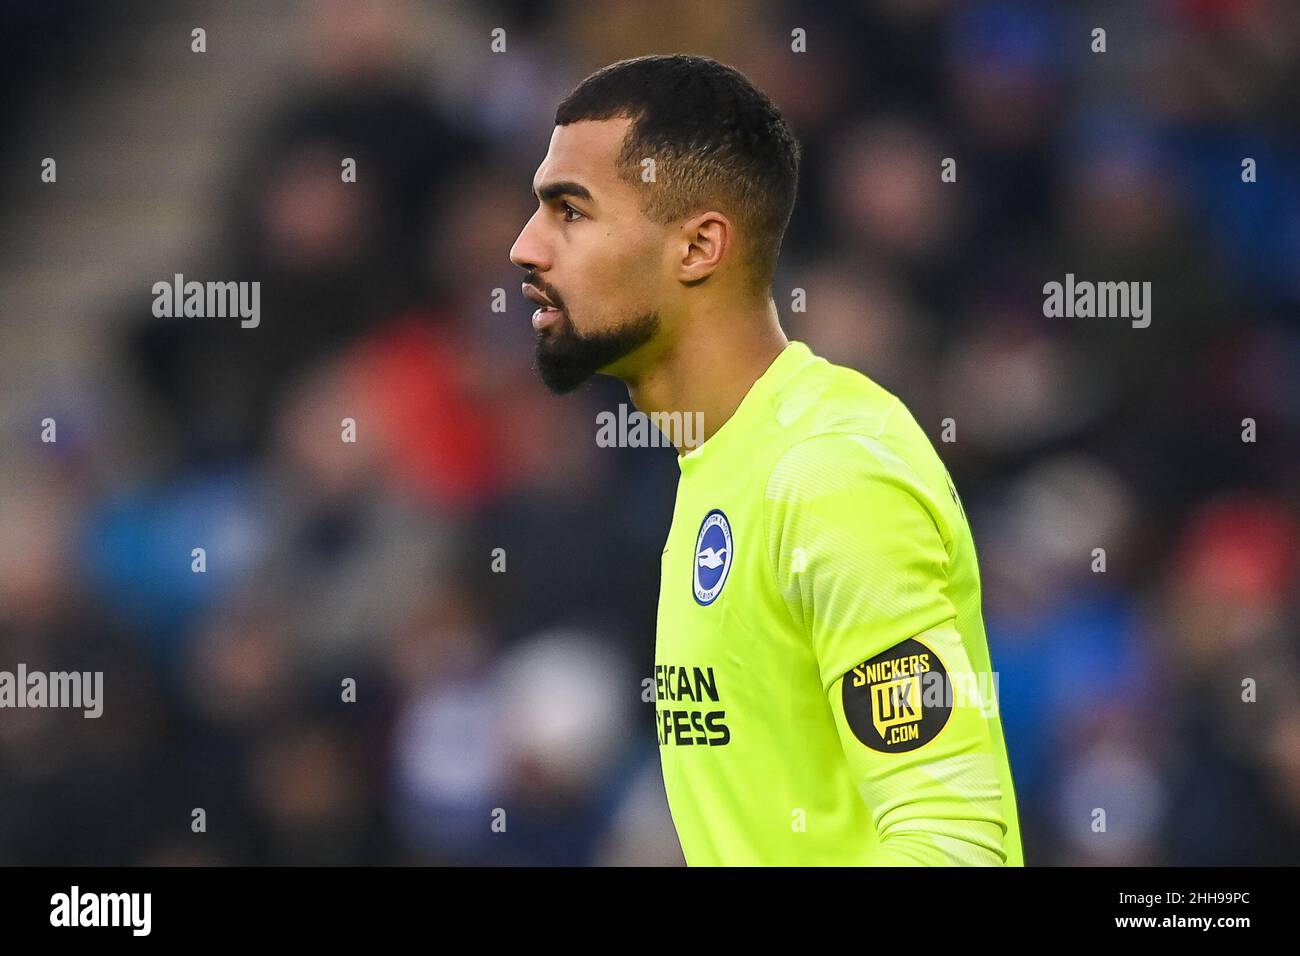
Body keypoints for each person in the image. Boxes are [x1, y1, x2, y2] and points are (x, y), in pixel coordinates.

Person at [509, 53, 1023, 866]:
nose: (524, 248)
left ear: (698, 247)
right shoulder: (720, 467)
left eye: (569, 212)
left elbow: (957, 846)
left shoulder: (829, 479)